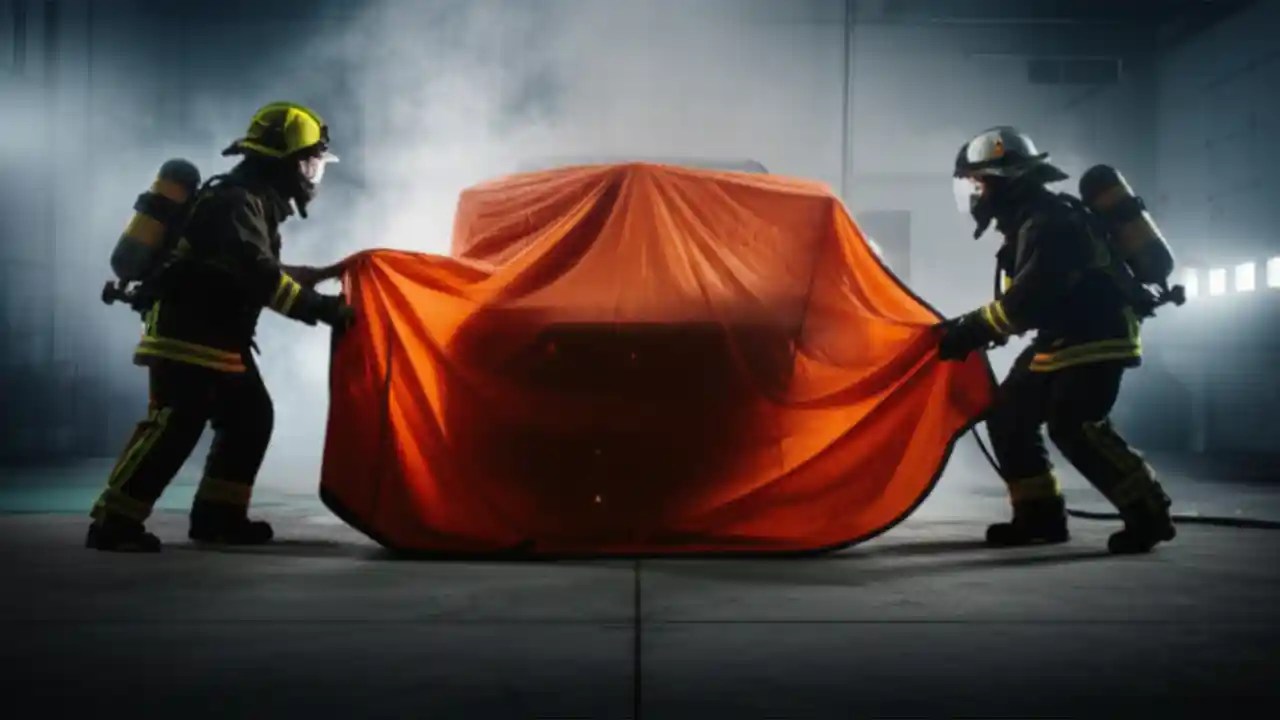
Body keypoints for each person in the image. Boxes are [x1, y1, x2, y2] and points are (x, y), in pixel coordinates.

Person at [87, 101, 355, 552]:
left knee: (250, 417)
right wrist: (324, 309)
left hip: (216, 338)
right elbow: (257, 274)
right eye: (309, 164)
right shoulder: (237, 202)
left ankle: (219, 517)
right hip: (189, 335)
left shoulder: (248, 201)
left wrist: (316, 273)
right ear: (285, 163)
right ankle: (113, 521)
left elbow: (254, 267)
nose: (313, 176)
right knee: (177, 425)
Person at [937, 126, 1176, 554]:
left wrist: (970, 329)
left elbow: (1025, 302)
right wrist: (968, 328)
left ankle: (1148, 513)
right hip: (1060, 339)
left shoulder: (1052, 223)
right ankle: (1039, 517)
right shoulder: (1031, 221)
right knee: (1009, 417)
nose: (973, 194)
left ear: (1002, 181)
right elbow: (1025, 304)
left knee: (1074, 425)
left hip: (1097, 334)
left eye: (977, 183)